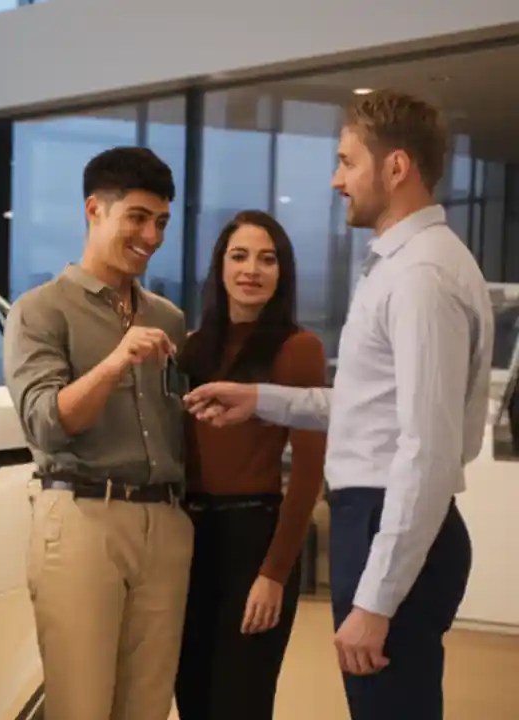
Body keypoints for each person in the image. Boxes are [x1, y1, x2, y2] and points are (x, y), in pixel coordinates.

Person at [182, 89, 494, 720]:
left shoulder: (420, 277)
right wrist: (260, 399)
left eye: (348, 162)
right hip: (378, 516)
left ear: (396, 167)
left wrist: (376, 603)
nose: (336, 179)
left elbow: (426, 451)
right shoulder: (405, 265)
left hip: (387, 518)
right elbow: (369, 406)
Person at [2, 146, 190, 720]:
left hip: (165, 522)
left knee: (148, 708)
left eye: (160, 221)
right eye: (137, 216)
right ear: (95, 210)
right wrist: (114, 362)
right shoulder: (40, 311)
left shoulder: (169, 318)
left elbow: (173, 424)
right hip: (82, 517)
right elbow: (47, 423)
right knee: (80, 706)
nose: (151, 235)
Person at [172, 210, 327, 719]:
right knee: (193, 698)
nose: (251, 270)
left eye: (267, 259)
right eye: (239, 256)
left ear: (282, 273)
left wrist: (274, 574)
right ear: (219, 267)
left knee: (240, 705)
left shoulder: (298, 349)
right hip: (190, 539)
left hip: (253, 539)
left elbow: (307, 473)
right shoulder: (194, 349)